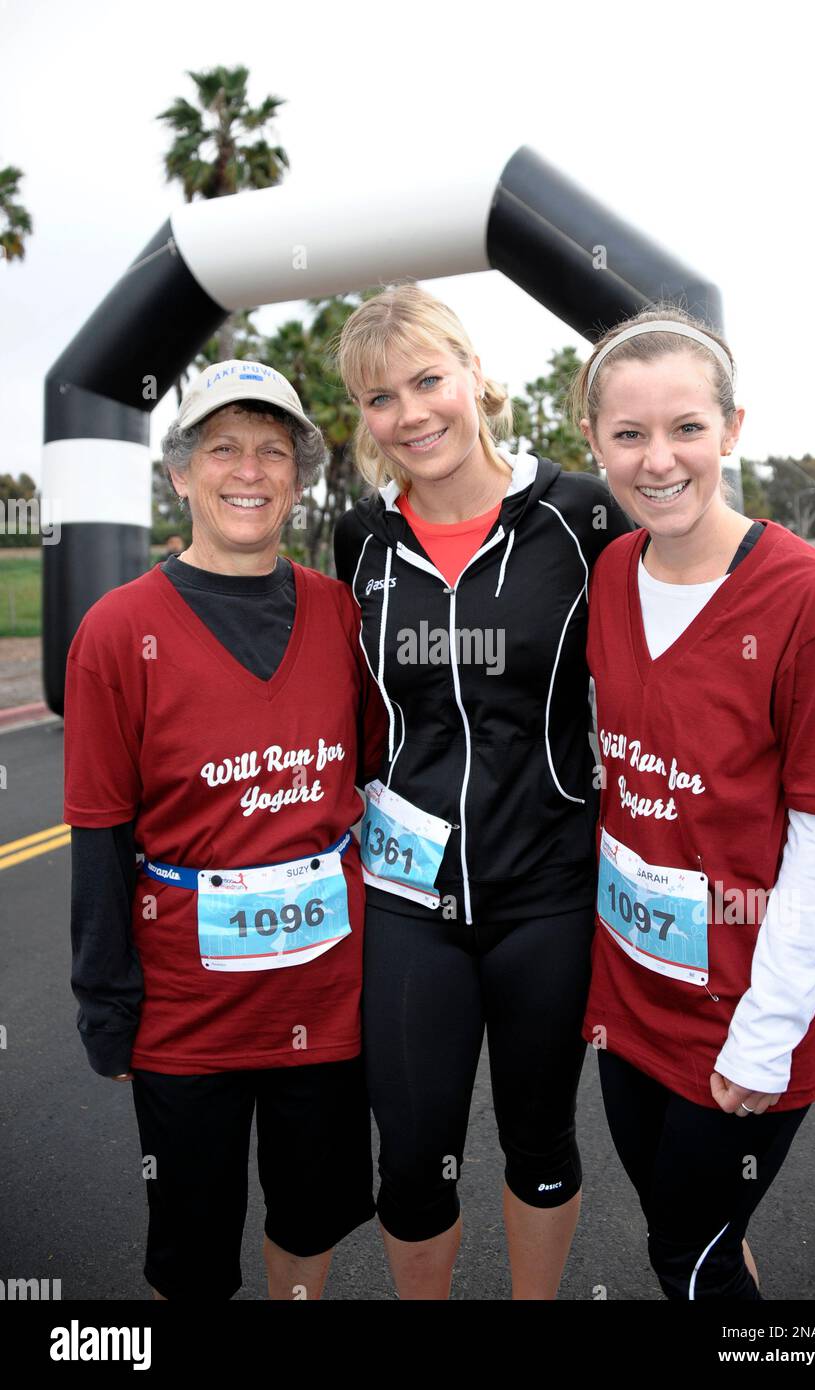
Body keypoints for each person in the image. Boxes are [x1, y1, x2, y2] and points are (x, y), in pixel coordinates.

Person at [571, 305, 815, 1300]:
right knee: (700, 1233)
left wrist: (766, 1031)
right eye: (629, 434)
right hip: (629, 998)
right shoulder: (612, 572)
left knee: (687, 1256)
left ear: (732, 429)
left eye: (687, 429)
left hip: (745, 1011)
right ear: (594, 442)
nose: (658, 460)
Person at [332, 284, 633, 1300]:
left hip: (546, 890)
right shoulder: (360, 538)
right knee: (411, 1161)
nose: (411, 412)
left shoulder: (580, 513)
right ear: (364, 419)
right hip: (410, 900)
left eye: (427, 380)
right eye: (381, 397)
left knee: (540, 1140)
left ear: (475, 380)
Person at [64, 360, 387, 1301]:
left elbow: (375, 773)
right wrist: (106, 1003)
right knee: (194, 1250)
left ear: (298, 477)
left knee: (308, 1218)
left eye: (272, 452)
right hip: (185, 1015)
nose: (248, 470)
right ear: (179, 473)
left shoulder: (341, 614)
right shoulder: (118, 632)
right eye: (222, 449)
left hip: (326, 1003)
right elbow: (98, 833)